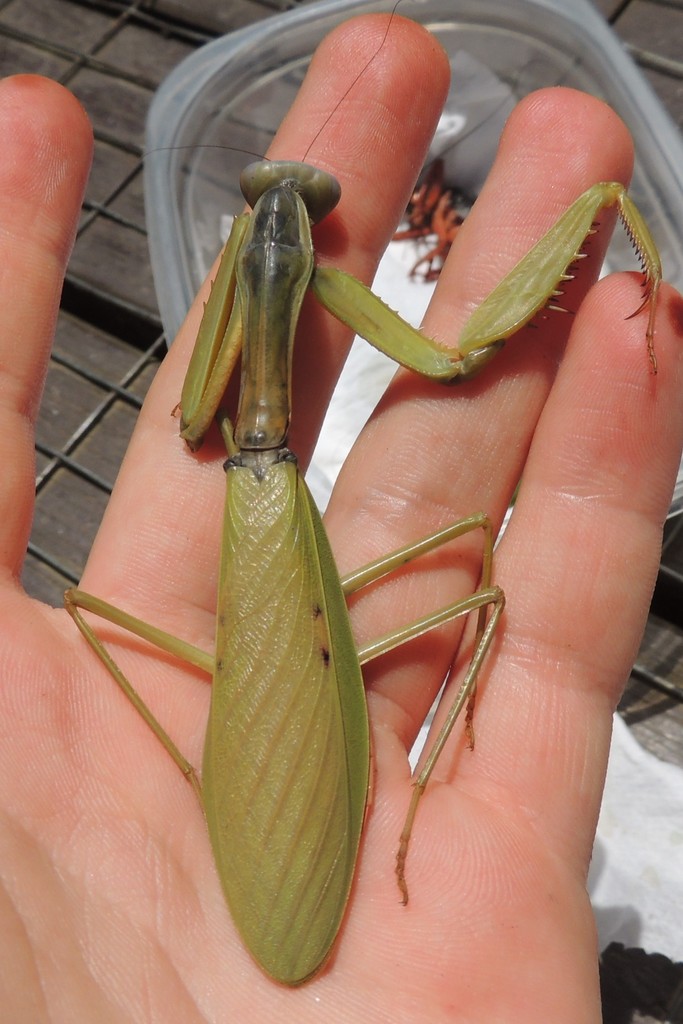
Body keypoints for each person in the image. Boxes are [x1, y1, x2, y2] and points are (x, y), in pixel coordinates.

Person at [0, 14, 681, 1022]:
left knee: (98, 615)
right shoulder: (302, 272)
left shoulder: (236, 350)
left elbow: (194, 417)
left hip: (256, 505)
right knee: (480, 583)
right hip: (271, 521)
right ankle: (386, 833)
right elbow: (445, 360)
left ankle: (330, 819)